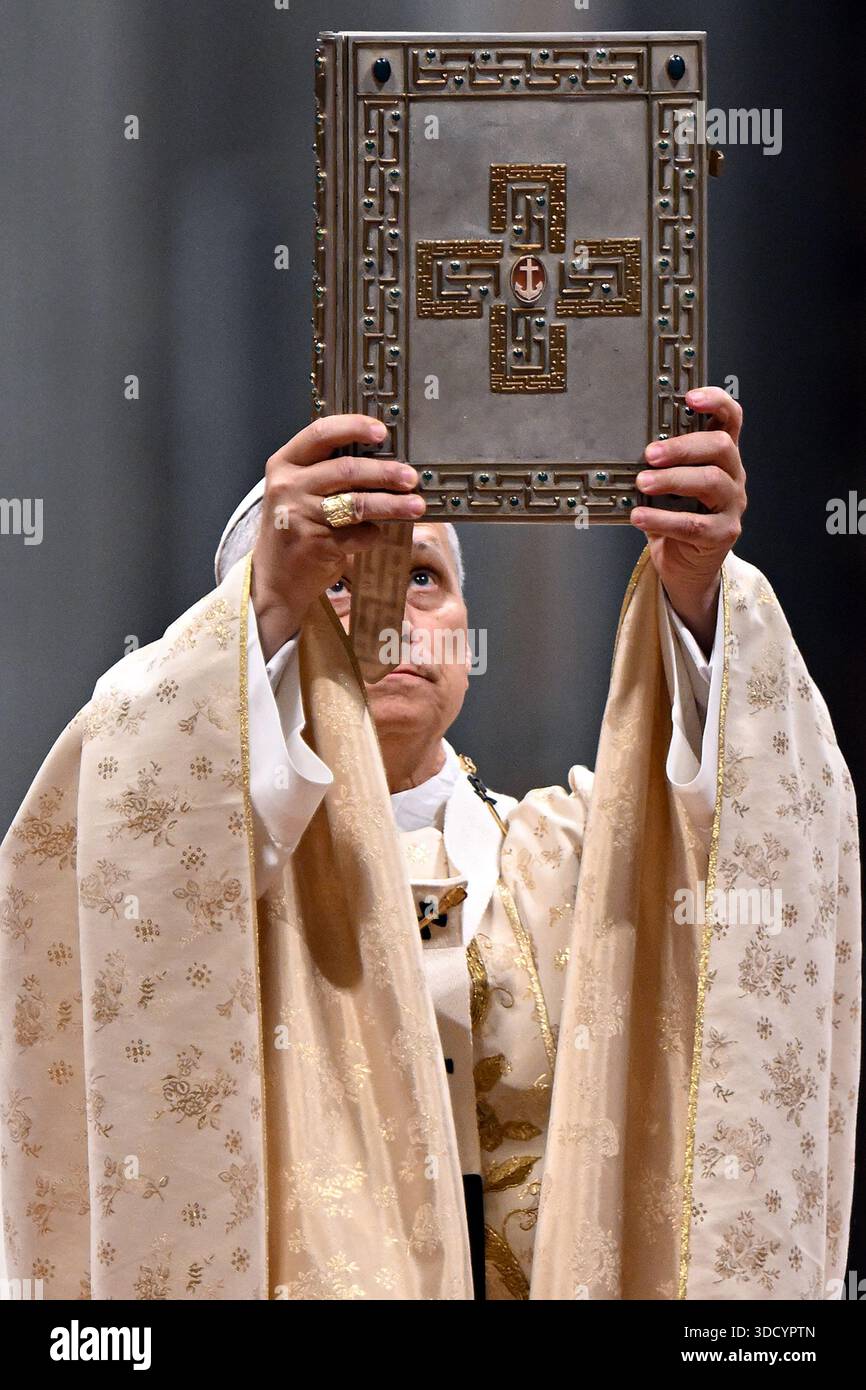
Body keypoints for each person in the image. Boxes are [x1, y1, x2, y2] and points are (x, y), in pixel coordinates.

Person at [0, 389, 859, 1300]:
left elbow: (756, 839)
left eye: (423, 577)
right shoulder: (218, 867)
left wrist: (700, 600)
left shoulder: (580, 857)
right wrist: (259, 606)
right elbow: (118, 834)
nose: (387, 614)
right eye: (335, 578)